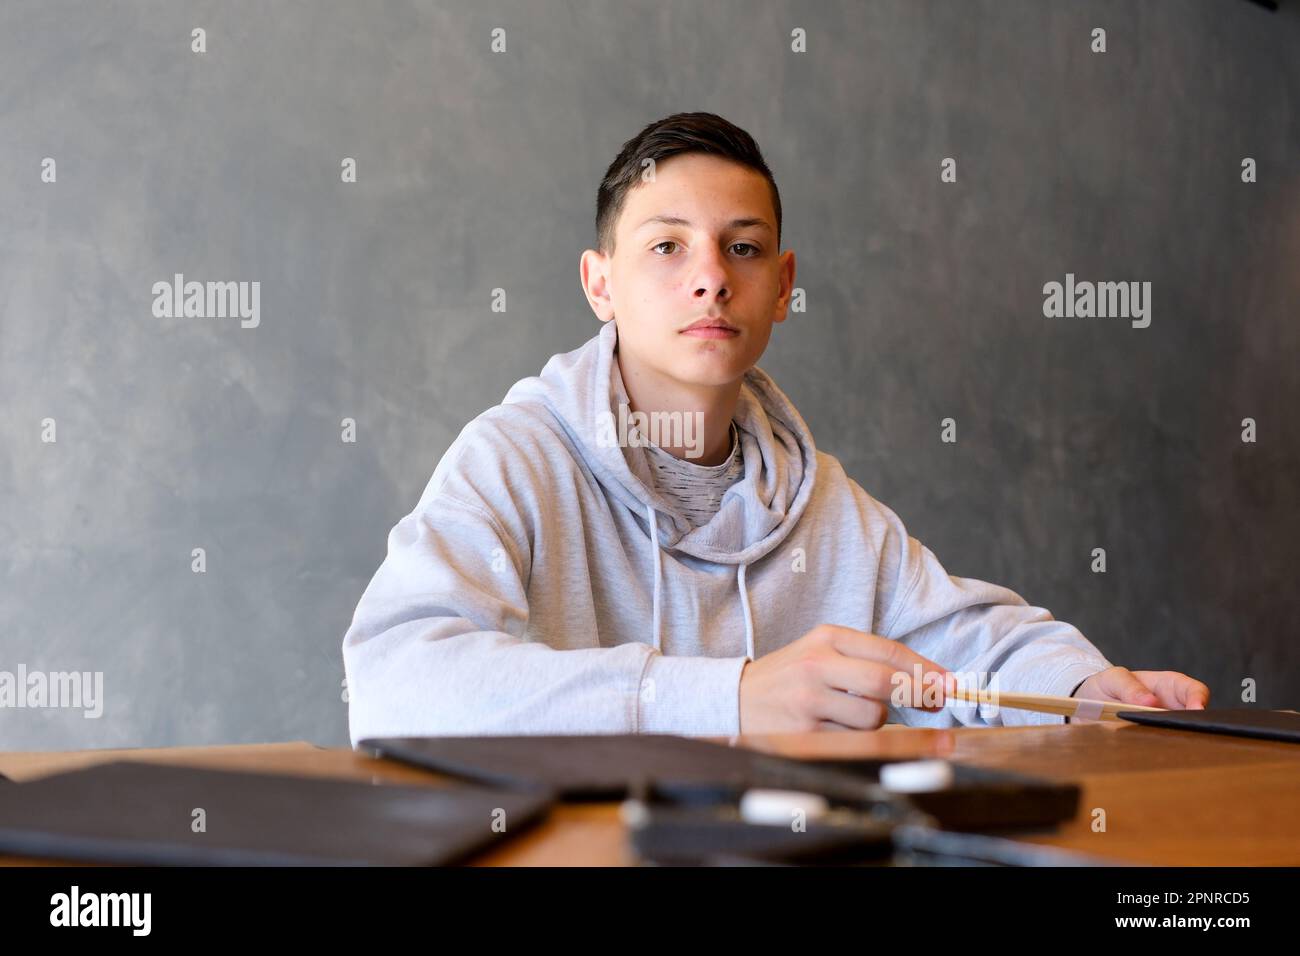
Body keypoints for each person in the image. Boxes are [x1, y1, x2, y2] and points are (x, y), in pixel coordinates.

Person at [342, 111, 1209, 745]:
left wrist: (1083, 685)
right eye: (667, 246)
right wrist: (731, 697)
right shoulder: (517, 458)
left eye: (743, 248)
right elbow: (394, 683)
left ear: (784, 284)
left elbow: (956, 640)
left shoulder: (814, 499)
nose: (712, 279)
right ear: (599, 284)